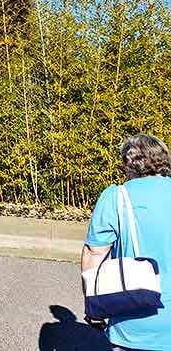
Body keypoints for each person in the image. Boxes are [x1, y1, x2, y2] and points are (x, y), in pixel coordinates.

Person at [81, 134, 171, 350]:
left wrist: (93, 307)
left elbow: (94, 253)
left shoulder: (116, 197)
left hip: (134, 320)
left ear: (129, 164)